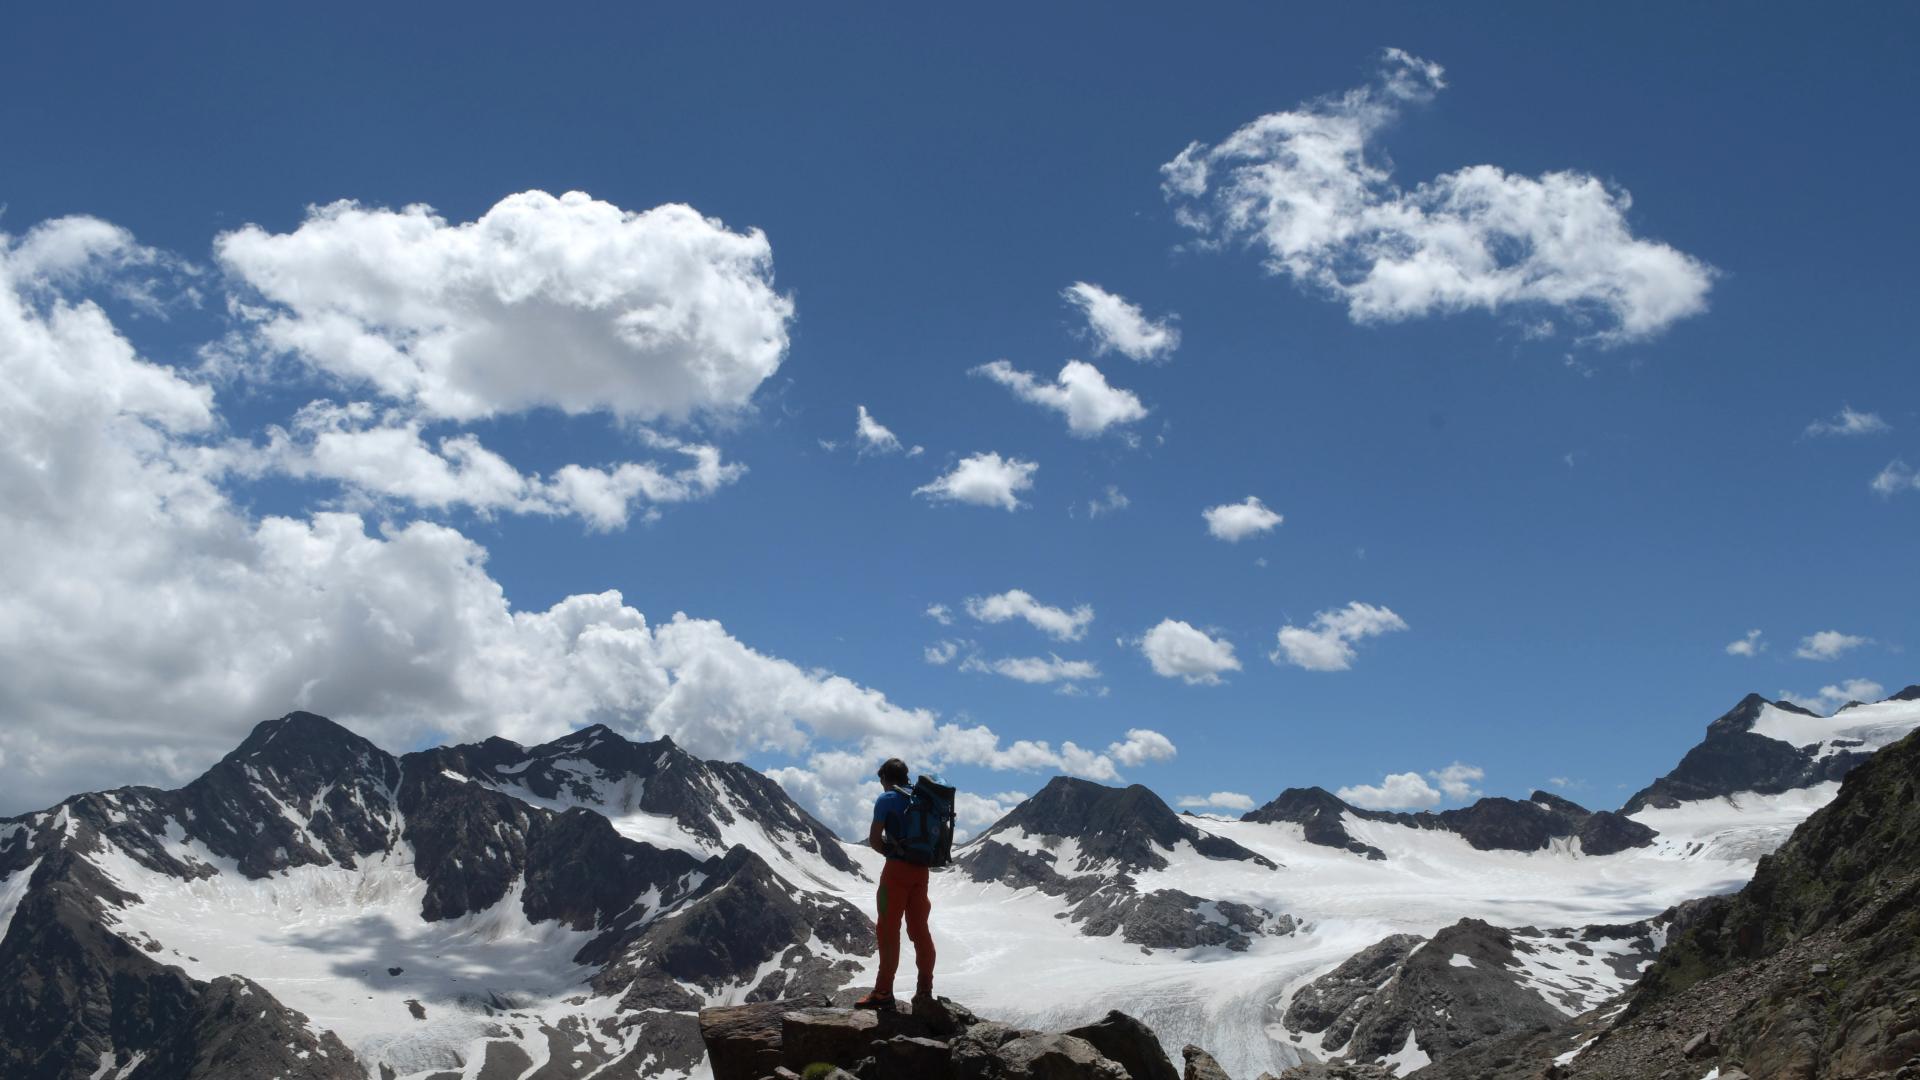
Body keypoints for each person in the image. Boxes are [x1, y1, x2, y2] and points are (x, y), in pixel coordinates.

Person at [855, 757, 935, 1009]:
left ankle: (882, 993)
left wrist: (893, 852)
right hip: (921, 871)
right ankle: (924, 991)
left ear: (885, 778)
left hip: (896, 871)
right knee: (920, 930)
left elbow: (875, 840)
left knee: (888, 931)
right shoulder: (922, 798)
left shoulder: (887, 799)